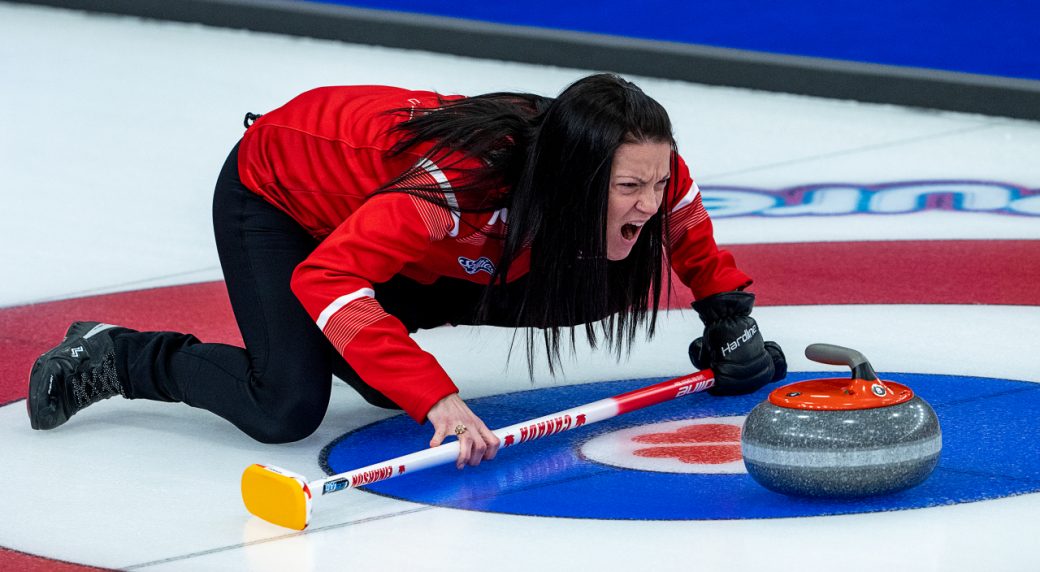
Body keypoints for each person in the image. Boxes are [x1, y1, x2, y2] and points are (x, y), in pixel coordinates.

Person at [27, 74, 786, 470]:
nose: (649, 203)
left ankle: (350, 344)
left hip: (375, 224)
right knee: (285, 406)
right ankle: (117, 354)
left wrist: (729, 318)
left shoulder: (640, 159)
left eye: (655, 183)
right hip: (279, 194)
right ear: (575, 177)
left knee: (588, 279)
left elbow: (685, 220)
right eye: (630, 190)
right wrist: (436, 397)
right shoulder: (457, 186)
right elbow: (327, 278)